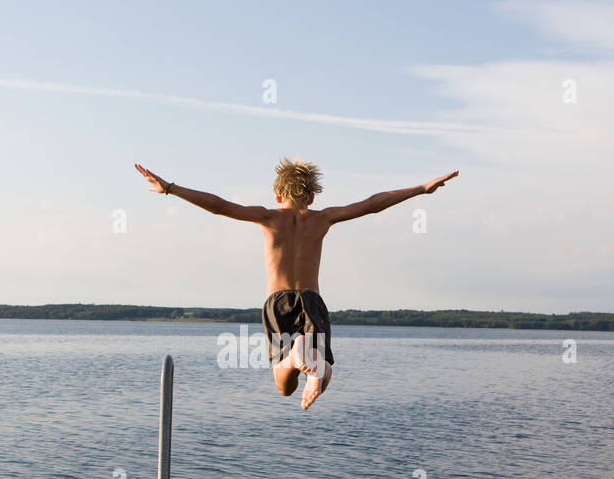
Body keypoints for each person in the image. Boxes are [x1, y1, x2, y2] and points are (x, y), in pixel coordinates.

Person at [135, 157, 458, 409]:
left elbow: (219, 206)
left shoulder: (267, 217)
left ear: (278, 194)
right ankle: (313, 369)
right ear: (313, 195)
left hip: (278, 301)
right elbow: (373, 203)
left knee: (283, 387)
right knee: (324, 369)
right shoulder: (323, 217)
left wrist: (171, 188)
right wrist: (420, 188)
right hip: (312, 300)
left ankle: (293, 359)